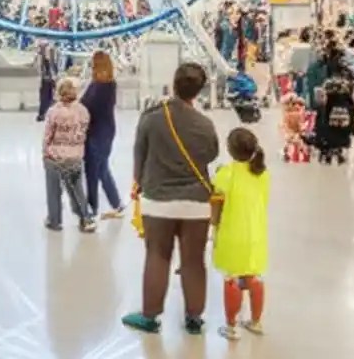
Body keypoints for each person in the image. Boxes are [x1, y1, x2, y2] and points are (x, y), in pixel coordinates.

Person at [122, 63, 221, 335]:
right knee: (193, 261)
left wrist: (139, 182)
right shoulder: (205, 124)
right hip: (196, 203)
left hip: (158, 199)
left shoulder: (153, 117)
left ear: (174, 83)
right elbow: (211, 154)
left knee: (157, 255)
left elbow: (139, 152)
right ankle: (194, 318)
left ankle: (150, 316)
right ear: (199, 91)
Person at [212, 127, 270, 340]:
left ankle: (231, 326)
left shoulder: (226, 174)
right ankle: (255, 321)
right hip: (256, 234)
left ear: (229, 149)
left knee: (232, 279)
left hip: (232, 234)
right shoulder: (263, 174)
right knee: (254, 277)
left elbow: (216, 201)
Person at [43, 76, 96, 233]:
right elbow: (84, 132)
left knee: (53, 190)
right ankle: (85, 218)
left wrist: (45, 152)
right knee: (77, 189)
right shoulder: (83, 111)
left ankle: (55, 220)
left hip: (54, 156)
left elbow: (47, 135)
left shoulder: (53, 112)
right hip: (74, 156)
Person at [82, 50, 125, 218]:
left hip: (98, 133)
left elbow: (90, 106)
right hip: (102, 131)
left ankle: (91, 208)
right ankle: (116, 203)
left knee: (93, 170)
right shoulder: (100, 84)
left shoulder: (103, 86)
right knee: (102, 169)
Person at [36, 43, 58, 123]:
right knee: (46, 98)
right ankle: (43, 114)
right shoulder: (43, 59)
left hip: (49, 79)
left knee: (49, 97)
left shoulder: (49, 60)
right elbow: (41, 68)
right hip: (46, 79)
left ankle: (46, 114)